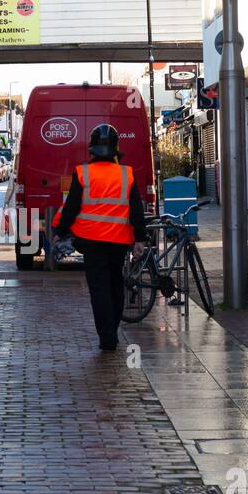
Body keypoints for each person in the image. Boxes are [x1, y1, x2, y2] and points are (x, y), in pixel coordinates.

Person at [54, 124, 147, 352]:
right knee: (116, 285)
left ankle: (107, 337)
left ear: (92, 148)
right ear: (116, 147)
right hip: (118, 243)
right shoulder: (126, 174)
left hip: (91, 243)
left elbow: (72, 207)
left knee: (99, 289)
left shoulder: (83, 173)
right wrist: (140, 239)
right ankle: (112, 330)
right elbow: (136, 210)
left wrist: (61, 231)